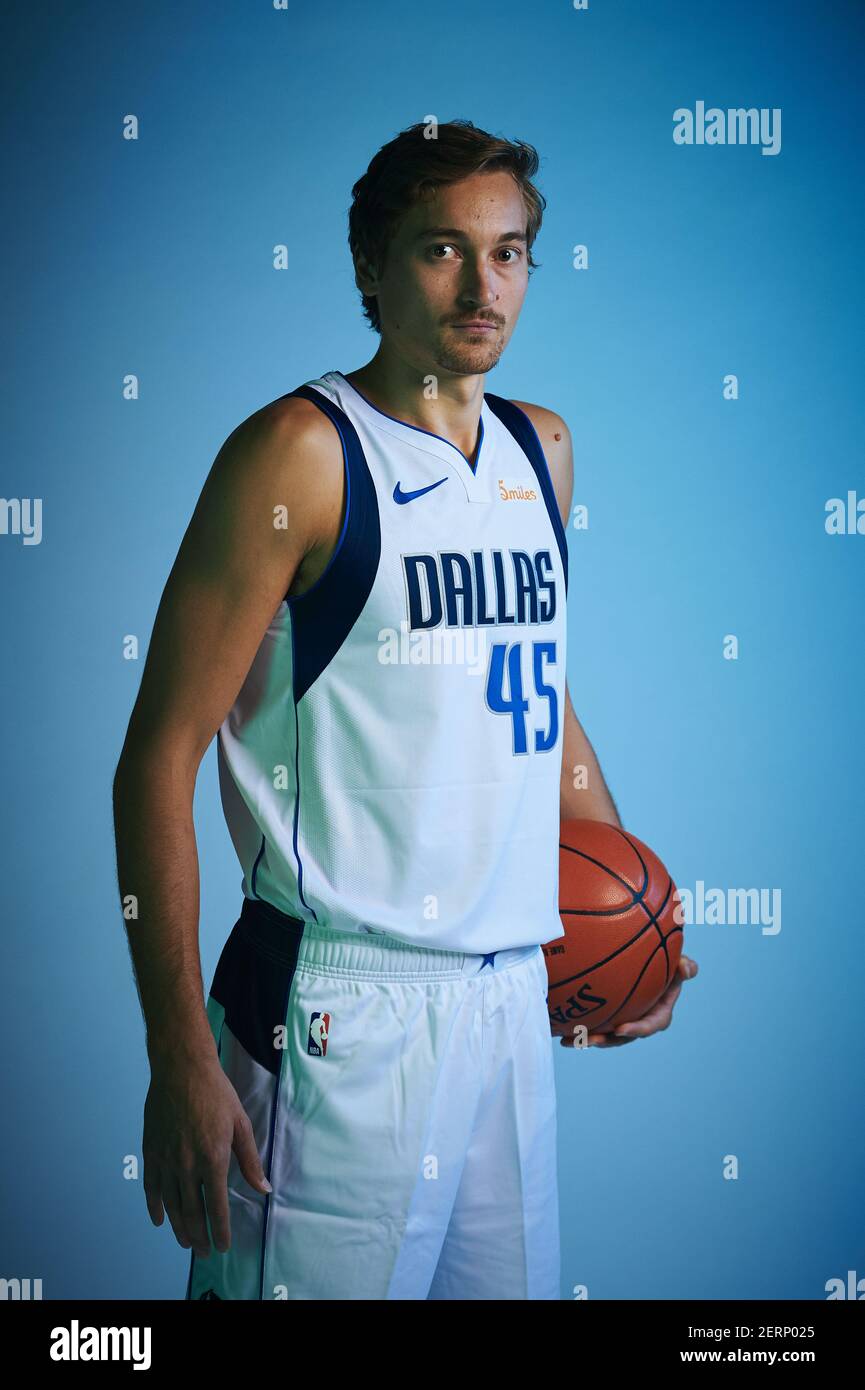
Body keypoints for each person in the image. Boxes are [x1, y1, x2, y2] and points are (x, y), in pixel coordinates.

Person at [112, 117, 696, 1302]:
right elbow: (153, 762)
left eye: (511, 251)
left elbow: (538, 695)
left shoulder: (544, 449)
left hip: (506, 1005)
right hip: (334, 1012)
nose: (484, 285)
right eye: (442, 250)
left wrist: (630, 920)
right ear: (371, 270)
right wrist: (176, 1048)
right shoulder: (299, 455)